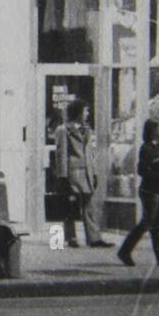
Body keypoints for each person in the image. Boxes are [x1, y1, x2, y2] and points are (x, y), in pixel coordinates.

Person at [117, 118, 159, 267]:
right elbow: (142, 170)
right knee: (147, 223)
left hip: (157, 190)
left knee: (156, 225)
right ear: (152, 130)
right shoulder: (146, 148)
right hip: (150, 190)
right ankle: (125, 251)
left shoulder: (158, 147)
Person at [54, 99, 109, 247]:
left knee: (89, 206)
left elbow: (91, 153)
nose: (87, 113)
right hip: (73, 174)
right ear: (78, 112)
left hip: (87, 173)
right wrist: (63, 176)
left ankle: (94, 238)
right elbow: (61, 154)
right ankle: (71, 238)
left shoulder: (87, 130)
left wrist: (95, 172)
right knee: (70, 207)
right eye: (85, 111)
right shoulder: (63, 130)